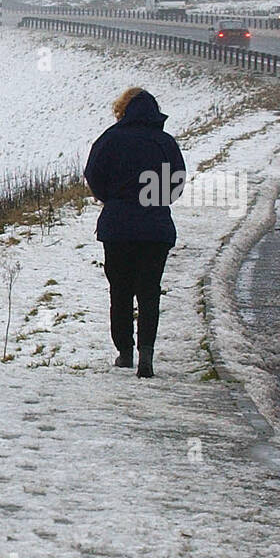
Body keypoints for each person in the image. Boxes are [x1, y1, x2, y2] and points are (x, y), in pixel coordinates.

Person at [83, 87, 186, 378]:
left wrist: (112, 199)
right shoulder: (165, 142)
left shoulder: (110, 139)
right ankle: (147, 356)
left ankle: (124, 352)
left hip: (118, 227)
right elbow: (177, 181)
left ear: (123, 110)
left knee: (121, 289)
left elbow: (93, 174)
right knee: (150, 291)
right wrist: (156, 199)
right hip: (156, 227)